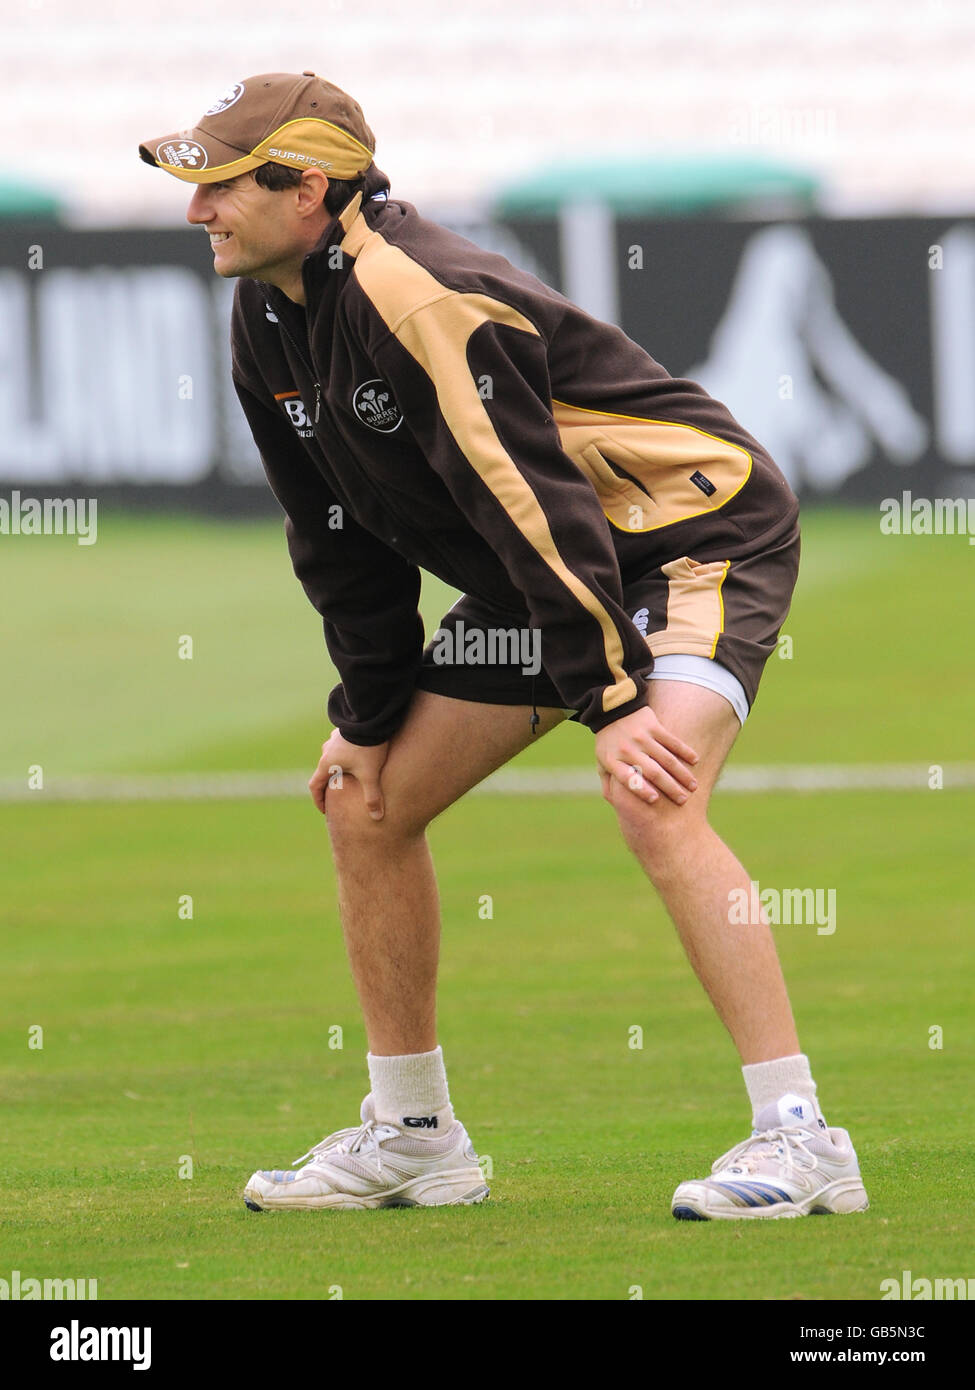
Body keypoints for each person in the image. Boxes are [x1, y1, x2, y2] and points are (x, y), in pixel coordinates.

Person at [139, 71, 869, 1219]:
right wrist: (369, 712)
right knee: (364, 800)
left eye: (221, 187)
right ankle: (417, 1136)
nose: (197, 213)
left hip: (688, 537)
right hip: (556, 576)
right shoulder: (265, 310)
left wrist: (616, 703)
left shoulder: (413, 293)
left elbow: (530, 504)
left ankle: (802, 1137)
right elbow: (336, 537)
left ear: (309, 188)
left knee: (652, 792)